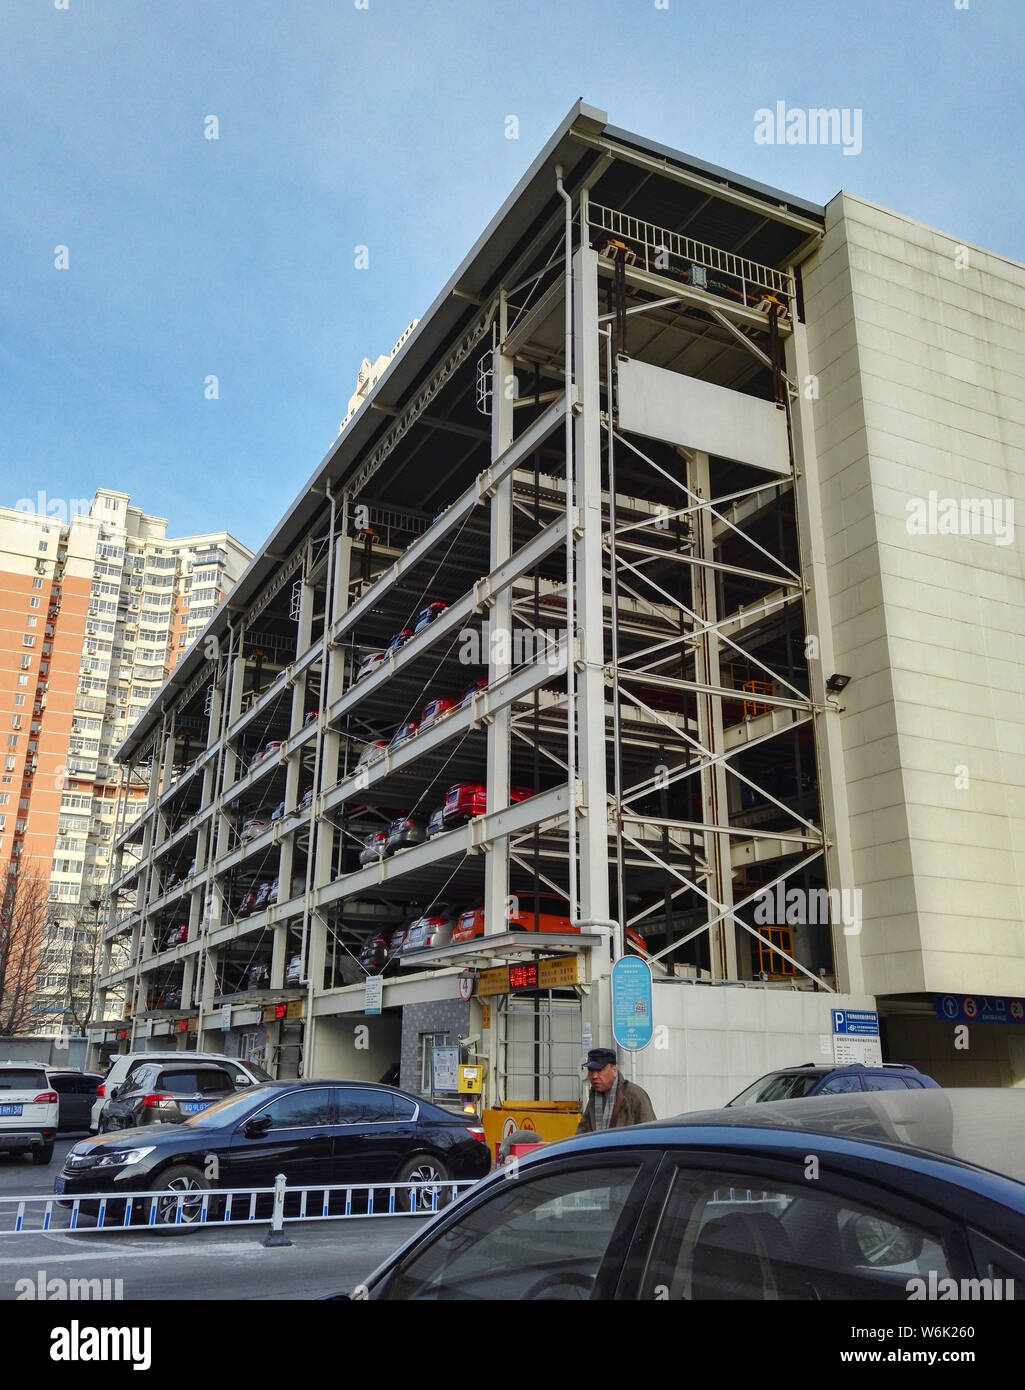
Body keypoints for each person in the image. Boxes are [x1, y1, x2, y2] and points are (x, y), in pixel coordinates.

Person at [576, 1047, 655, 1134]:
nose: (594, 1076)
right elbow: (582, 1130)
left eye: (599, 1070)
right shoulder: (594, 1096)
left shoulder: (634, 1095)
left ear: (614, 1070)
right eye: (591, 1071)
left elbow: (651, 1133)